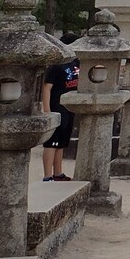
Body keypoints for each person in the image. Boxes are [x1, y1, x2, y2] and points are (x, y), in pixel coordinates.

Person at [41, 37, 80, 181]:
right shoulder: (56, 65)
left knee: (62, 141)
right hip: (56, 105)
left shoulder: (76, 62)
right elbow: (47, 87)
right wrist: (47, 109)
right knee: (52, 141)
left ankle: (58, 172)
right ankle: (47, 175)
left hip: (70, 106)